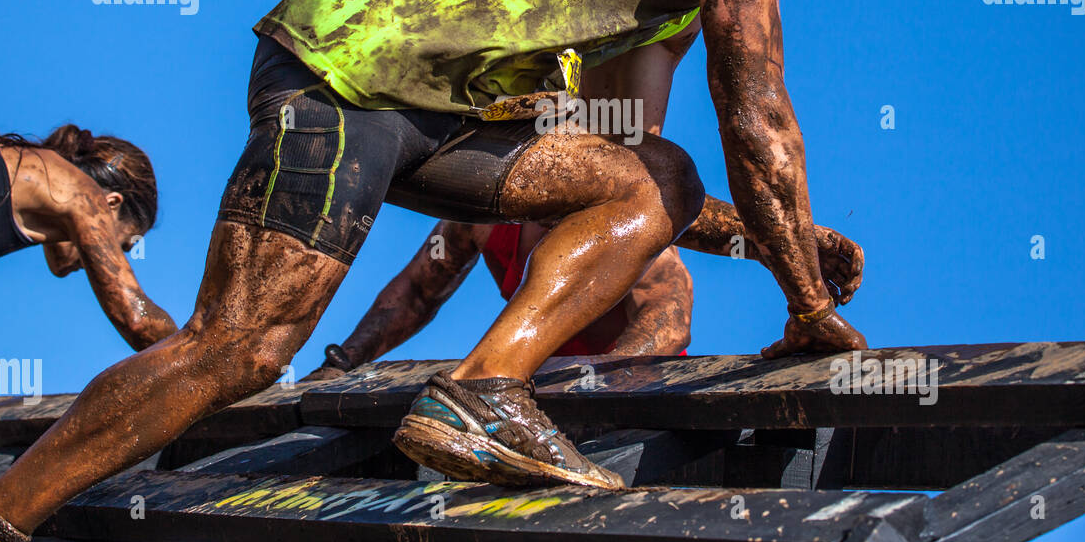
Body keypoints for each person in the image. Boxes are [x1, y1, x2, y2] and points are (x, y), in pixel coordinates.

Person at [0, 0, 879, 542]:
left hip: (441, 115)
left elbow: (626, 158)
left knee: (653, 179)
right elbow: (757, 113)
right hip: (349, 77)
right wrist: (805, 300)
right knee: (240, 351)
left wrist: (770, 243)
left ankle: (484, 391)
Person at [302, 215, 864, 378]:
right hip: (530, 396)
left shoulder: (626, 232)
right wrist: (343, 360)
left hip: (633, 404)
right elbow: (417, 292)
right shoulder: (479, 215)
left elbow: (668, 320)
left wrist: (591, 394)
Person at [0, 121, 175, 350]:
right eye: (120, 247)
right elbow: (138, 322)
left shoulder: (30, 175)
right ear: (110, 204)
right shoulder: (81, 192)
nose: (93, 263)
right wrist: (199, 348)